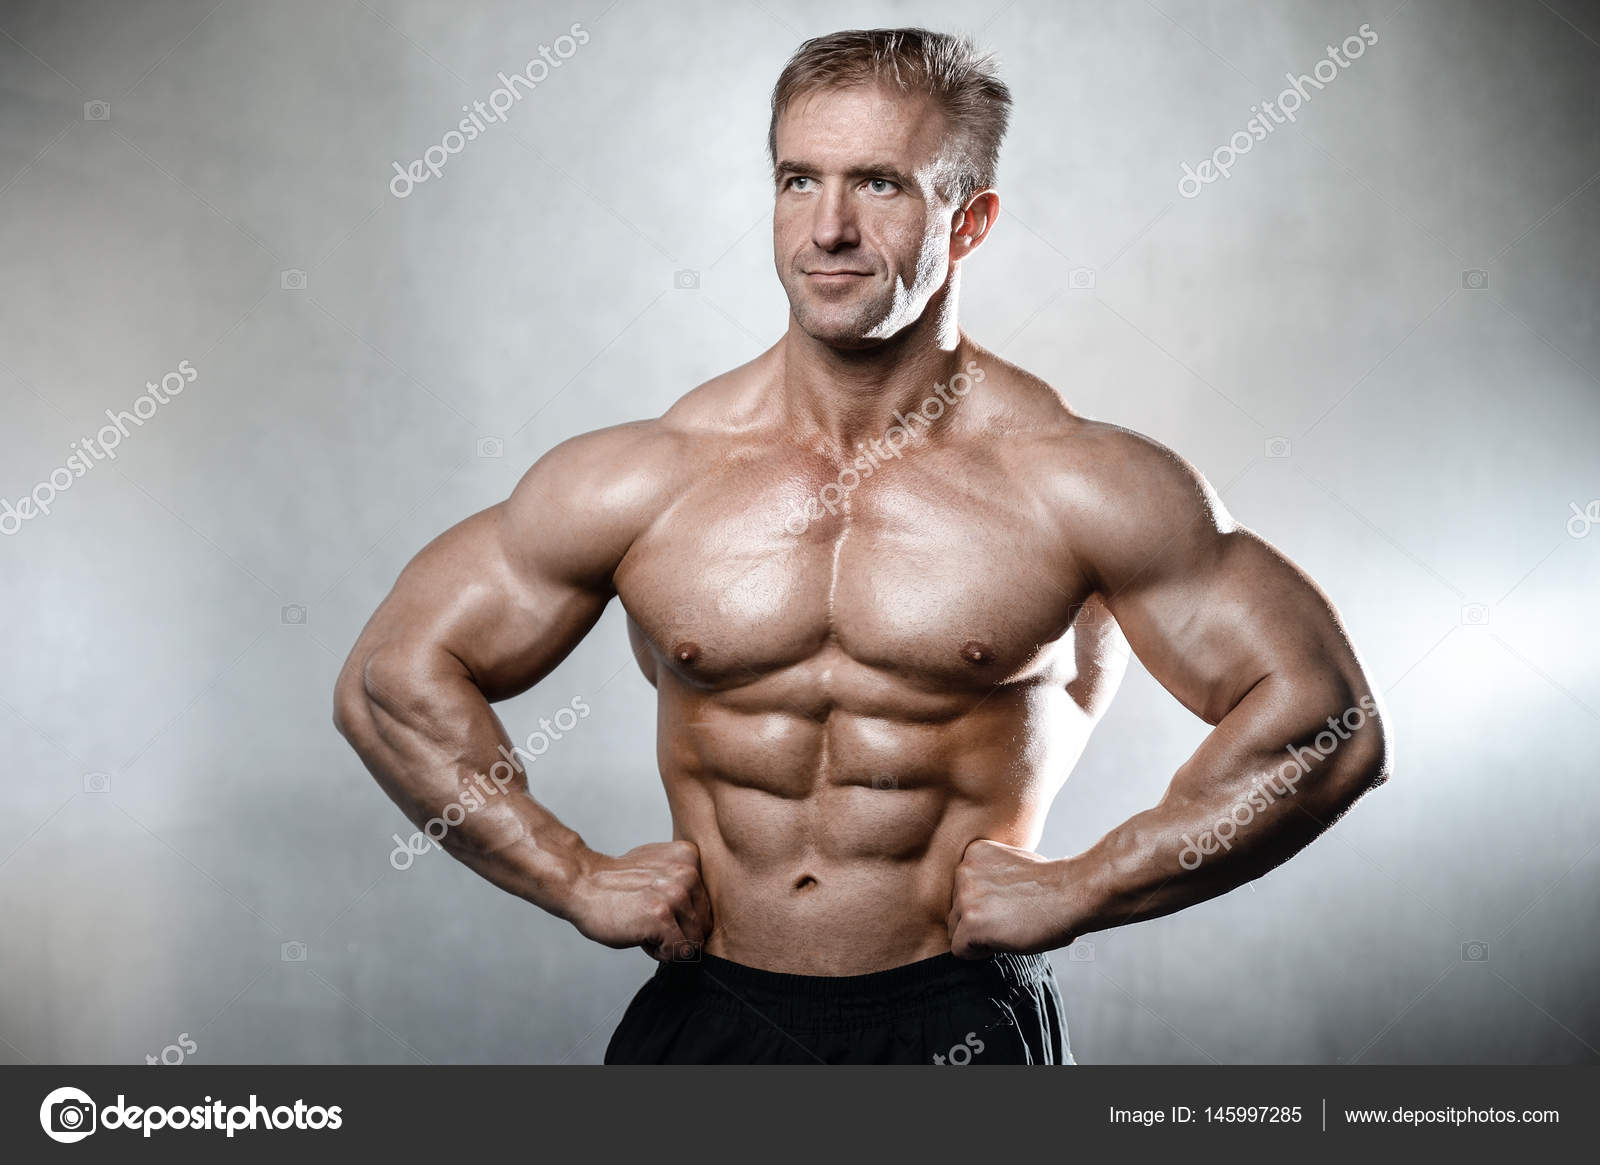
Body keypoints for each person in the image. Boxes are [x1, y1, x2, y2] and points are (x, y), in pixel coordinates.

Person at [333, 27, 1391, 1065]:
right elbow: (392, 680)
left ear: (967, 221)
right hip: (710, 1012)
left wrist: (1087, 885)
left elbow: (1323, 723)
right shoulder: (651, 474)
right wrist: (568, 875)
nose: (827, 228)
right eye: (799, 180)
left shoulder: (1078, 483)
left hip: (953, 1019)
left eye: (879, 185)